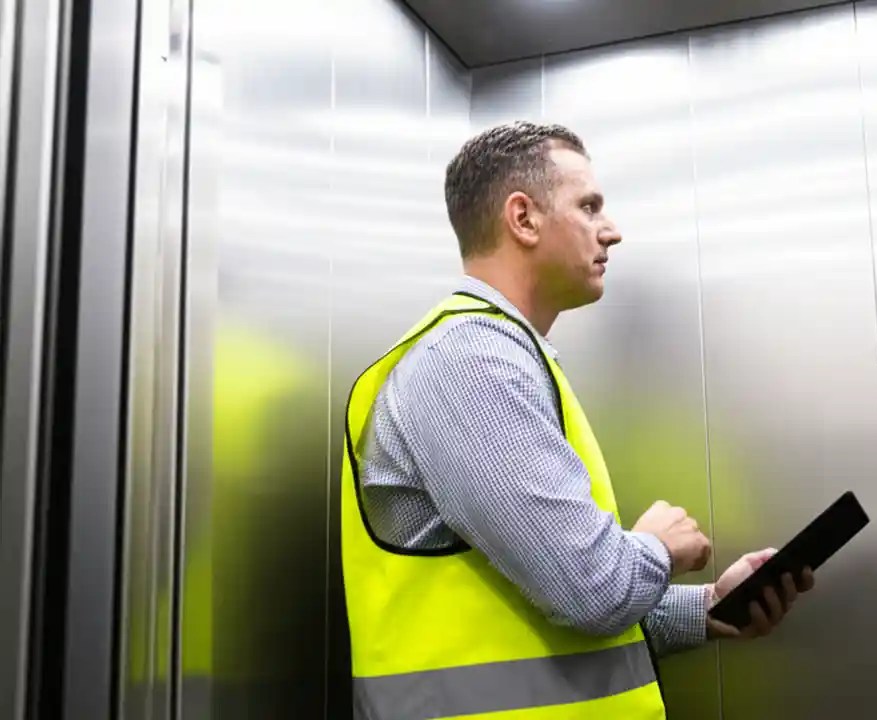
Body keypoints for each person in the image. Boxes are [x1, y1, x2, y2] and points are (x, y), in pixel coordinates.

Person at [340, 120, 815, 719]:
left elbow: (555, 606)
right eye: (589, 206)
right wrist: (657, 547)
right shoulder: (469, 363)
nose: (611, 230)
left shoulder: (502, 357)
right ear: (523, 219)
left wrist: (709, 608)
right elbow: (592, 589)